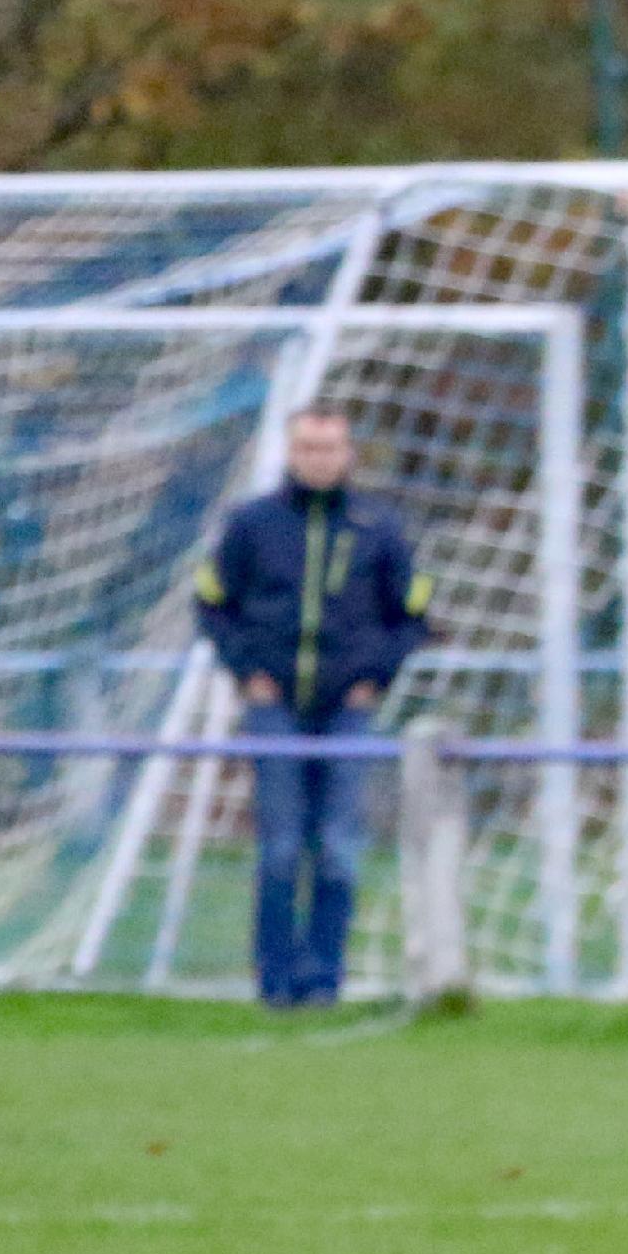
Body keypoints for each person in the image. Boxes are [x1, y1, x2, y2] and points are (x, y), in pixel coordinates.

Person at [195, 404, 431, 1008]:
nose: (319, 459)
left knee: (336, 847)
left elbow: (413, 612)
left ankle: (324, 981)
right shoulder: (251, 525)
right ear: (290, 452)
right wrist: (247, 671)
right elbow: (211, 602)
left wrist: (374, 677)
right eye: (307, 448)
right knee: (279, 846)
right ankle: (276, 984)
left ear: (348, 453)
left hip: (348, 710)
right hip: (273, 707)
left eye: (329, 448)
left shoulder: (379, 528)